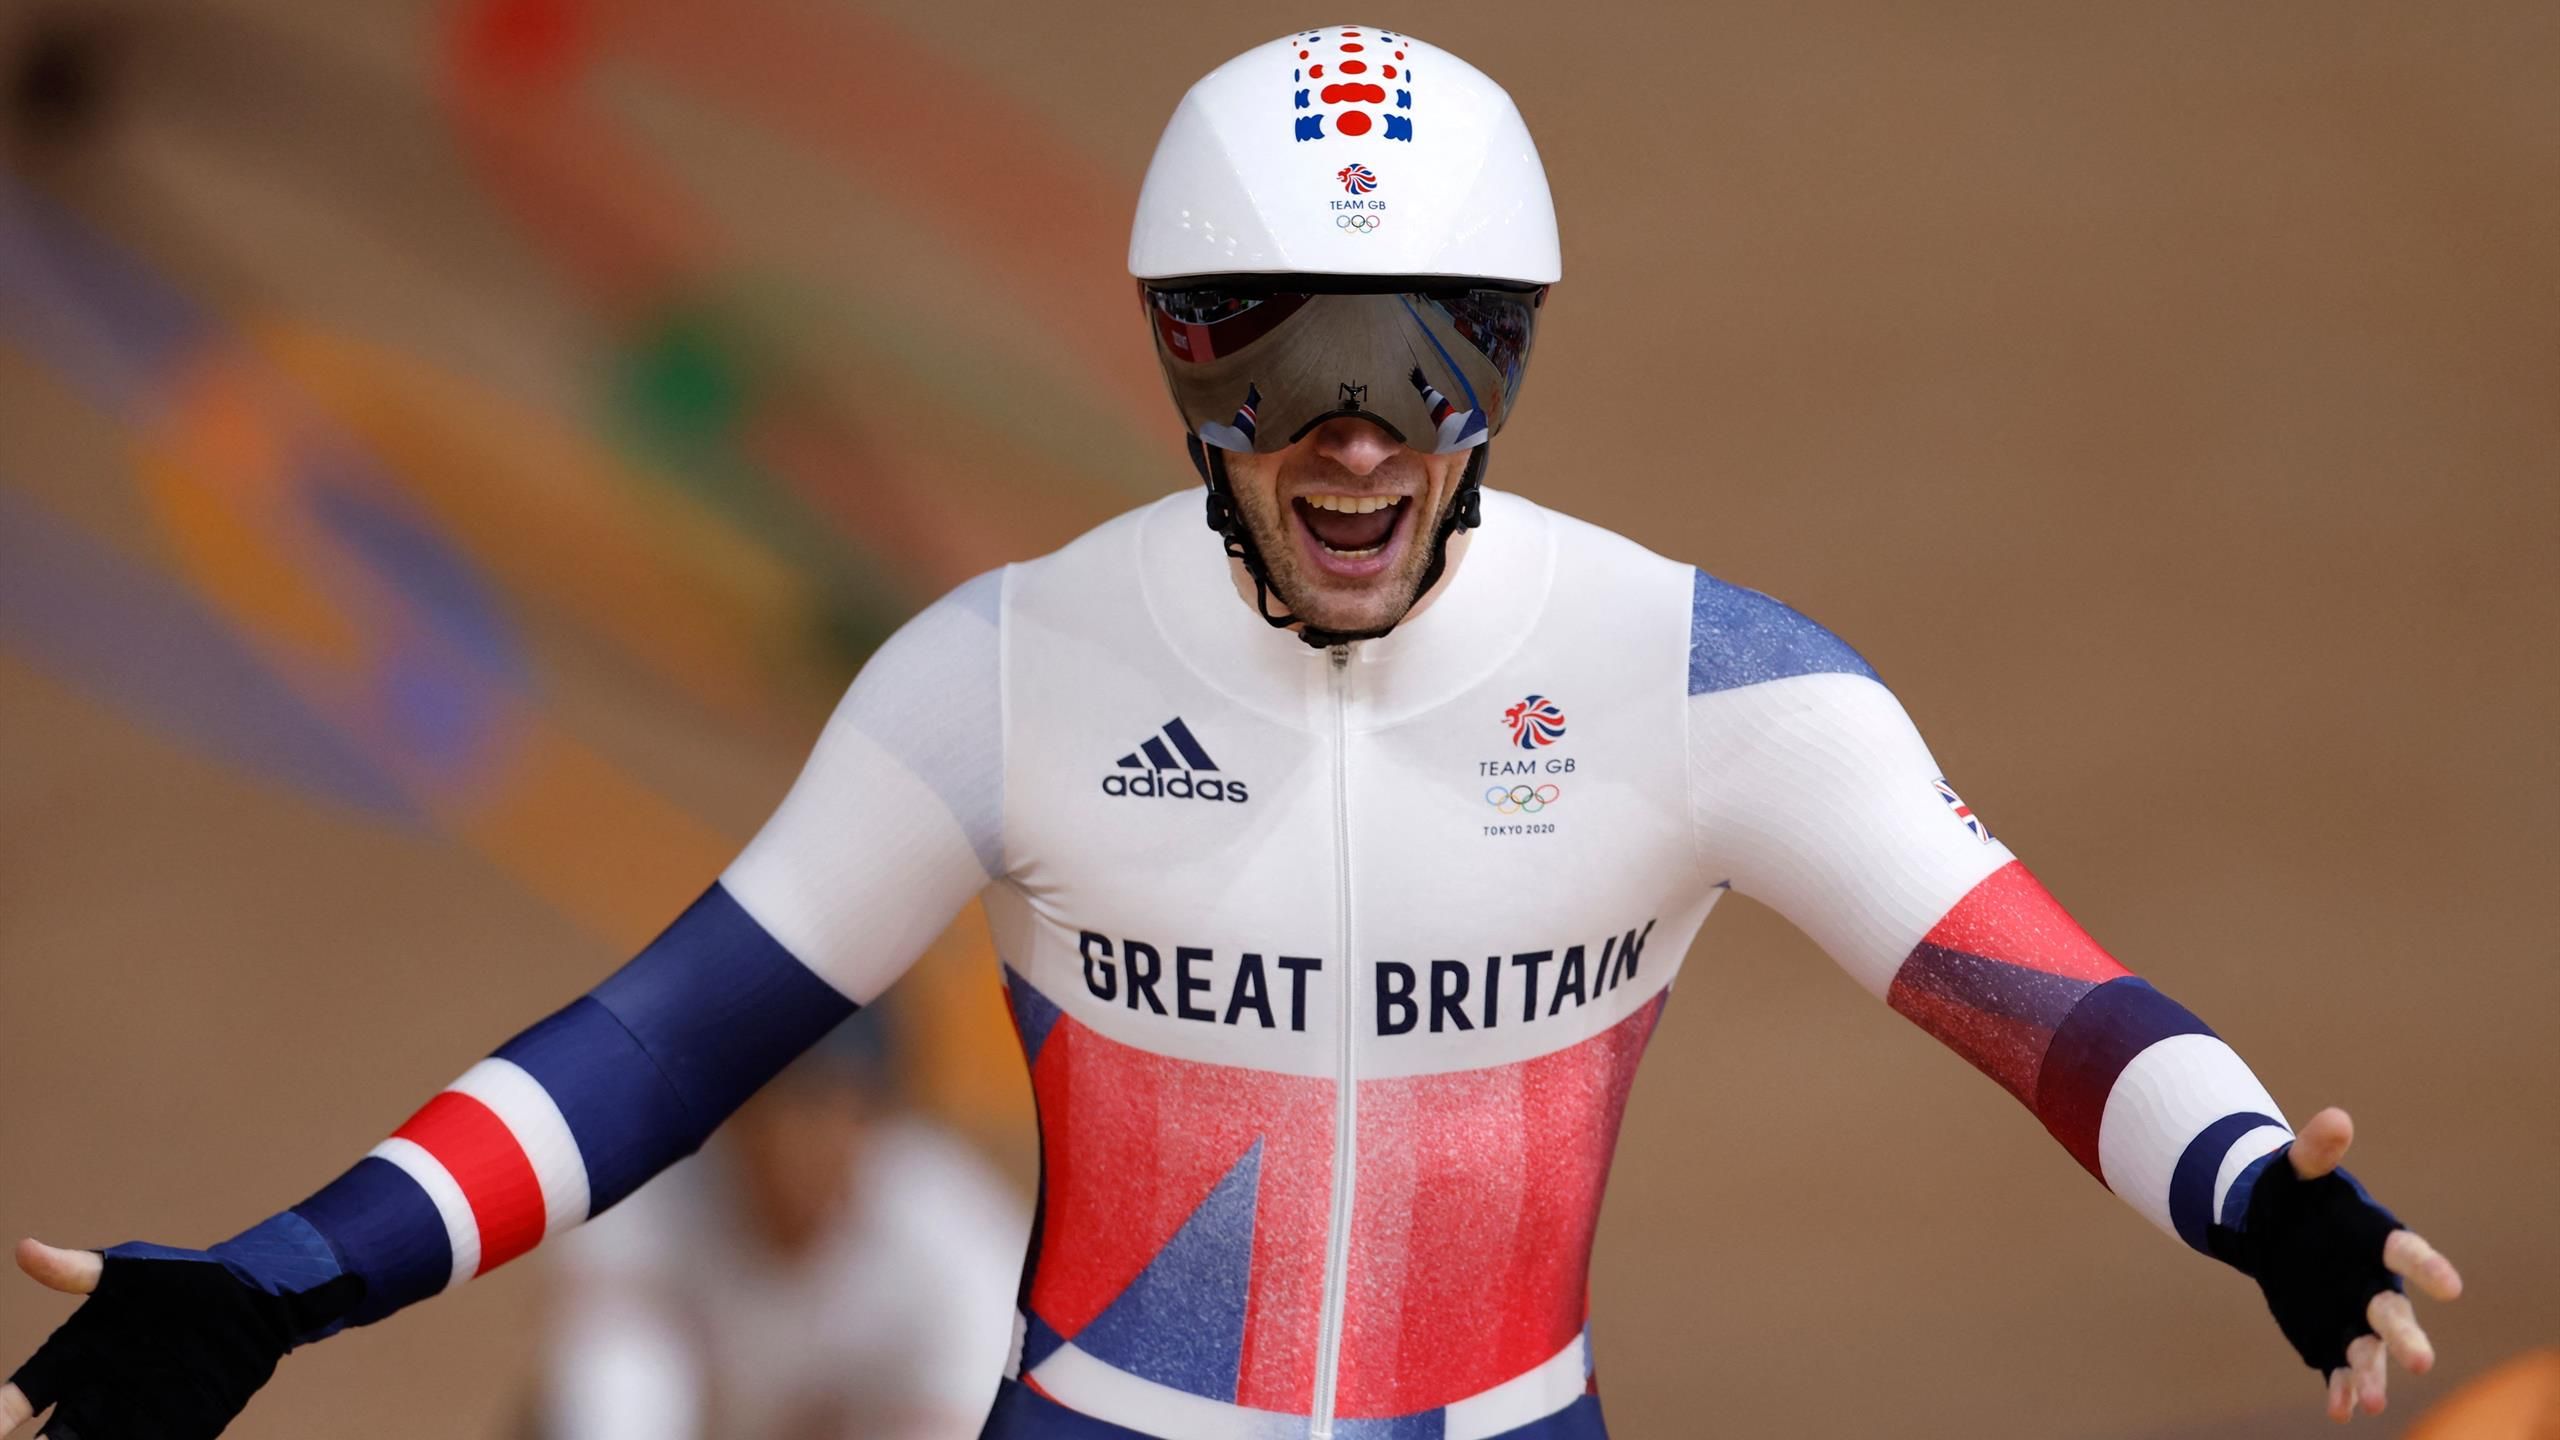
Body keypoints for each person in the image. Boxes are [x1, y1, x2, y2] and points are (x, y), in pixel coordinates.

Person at [2, 26, 2464, 1440]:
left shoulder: (1704, 679)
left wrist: (2253, 1187)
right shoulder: (995, 668)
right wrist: (285, 1278)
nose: (1360, 430)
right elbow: (656, 1043)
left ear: (1505, 366)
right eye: (1279, 357)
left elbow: (2037, 998)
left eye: (1434, 353)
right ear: (1186, 361)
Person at [537, 1015, 1024, 1440]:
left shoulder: (959, 1250)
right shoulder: (648, 1192)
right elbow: (614, 1391)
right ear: (734, 1113)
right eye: (798, 1102)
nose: (820, 1139)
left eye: (849, 1106)